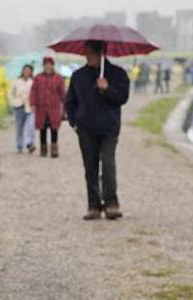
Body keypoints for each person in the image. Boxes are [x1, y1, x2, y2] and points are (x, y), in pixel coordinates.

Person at [65, 40, 130, 220]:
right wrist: (74, 122)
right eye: (85, 53)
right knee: (90, 167)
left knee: (108, 164)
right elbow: (70, 102)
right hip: (86, 129)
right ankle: (93, 205)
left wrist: (107, 88)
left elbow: (122, 98)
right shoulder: (78, 76)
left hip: (109, 128)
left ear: (100, 53)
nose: (87, 56)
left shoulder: (117, 74)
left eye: (90, 53)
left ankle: (111, 203)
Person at [30, 57, 66, 158]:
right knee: (43, 129)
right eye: (46, 64)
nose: (48, 66)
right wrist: (32, 103)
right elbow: (33, 91)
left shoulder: (58, 78)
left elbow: (62, 93)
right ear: (43, 66)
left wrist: (65, 105)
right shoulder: (38, 78)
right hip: (41, 108)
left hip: (54, 108)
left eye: (50, 64)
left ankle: (54, 150)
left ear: (52, 66)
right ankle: (43, 150)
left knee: (54, 129)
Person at [9, 64, 36, 153]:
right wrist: (14, 103)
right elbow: (10, 93)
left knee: (31, 126)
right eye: (25, 70)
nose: (27, 72)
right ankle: (19, 145)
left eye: (29, 70)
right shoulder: (16, 81)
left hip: (30, 106)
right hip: (19, 106)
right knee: (19, 128)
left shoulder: (33, 81)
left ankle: (29, 143)